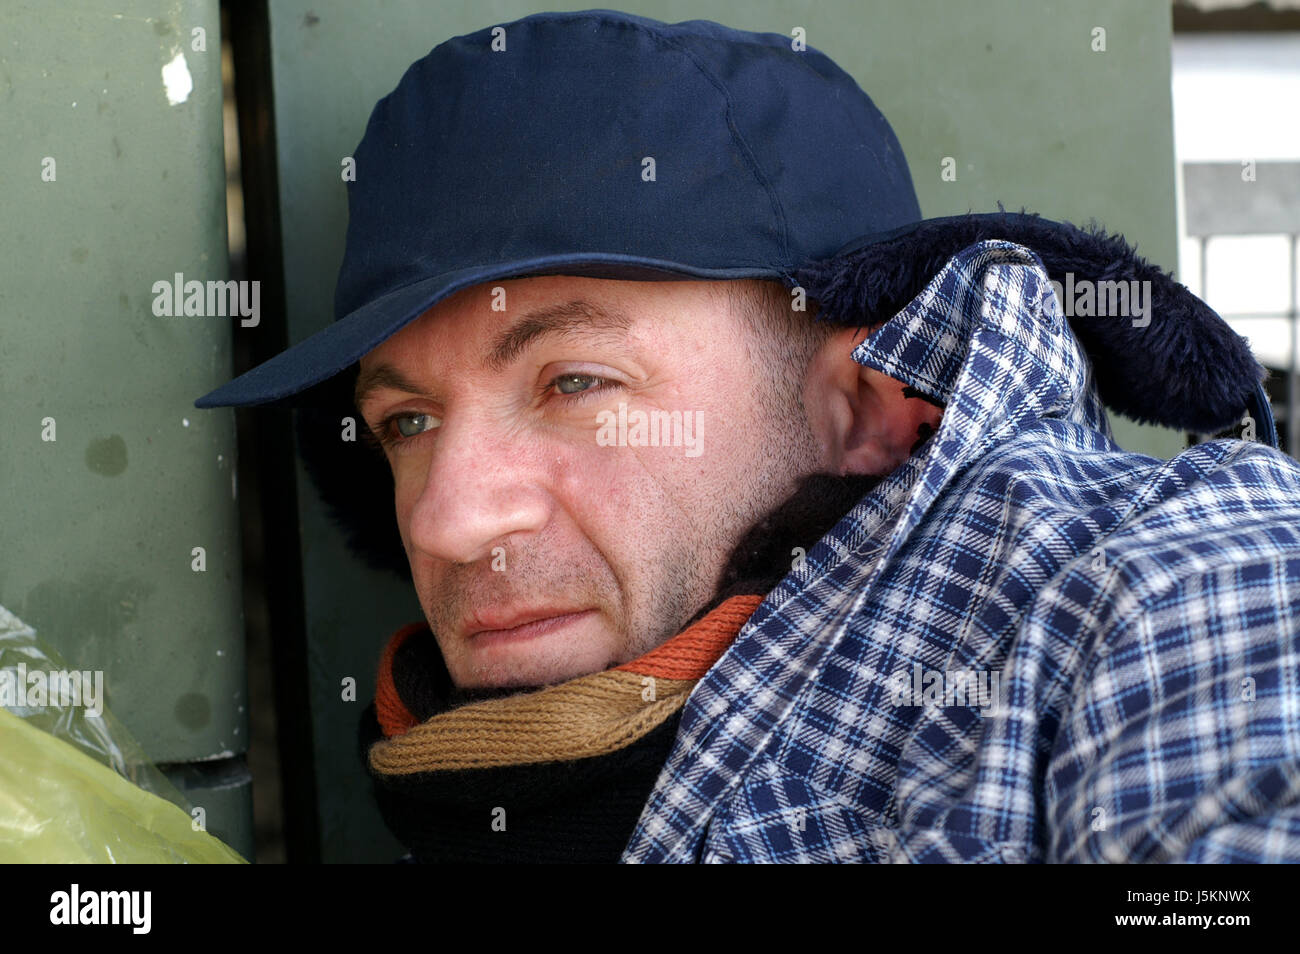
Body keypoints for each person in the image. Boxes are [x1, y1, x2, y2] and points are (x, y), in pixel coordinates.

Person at [196, 9, 1300, 863]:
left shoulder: (1168, 586)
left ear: (869, 402)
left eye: (575, 380)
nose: (445, 518)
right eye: (408, 421)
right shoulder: (484, 775)